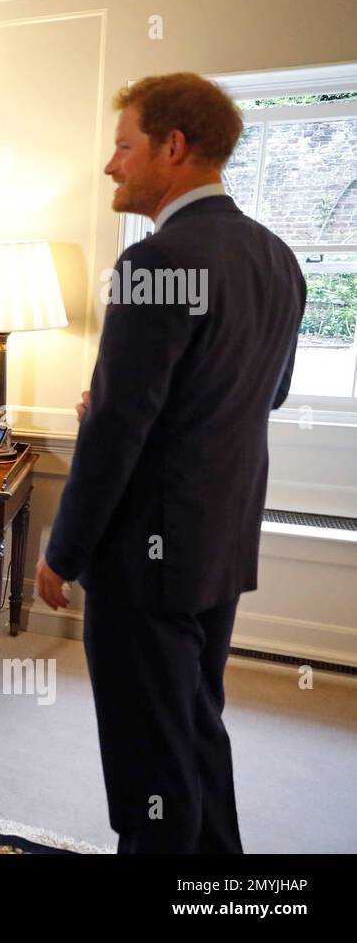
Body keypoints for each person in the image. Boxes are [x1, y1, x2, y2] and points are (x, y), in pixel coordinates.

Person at [35, 73, 306, 853]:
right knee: (194, 726)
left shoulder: (157, 260)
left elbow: (120, 429)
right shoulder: (277, 257)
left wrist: (64, 551)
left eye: (124, 147)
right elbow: (271, 392)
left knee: (150, 771)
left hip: (145, 558)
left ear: (173, 148)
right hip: (219, 544)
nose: (112, 166)